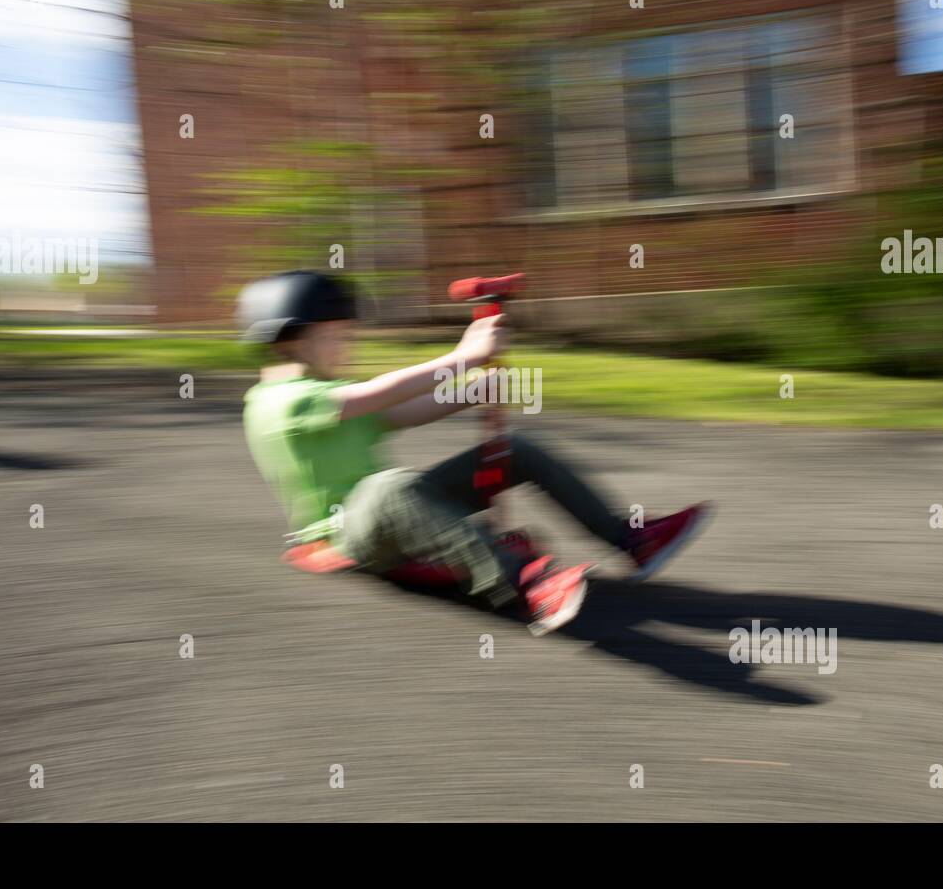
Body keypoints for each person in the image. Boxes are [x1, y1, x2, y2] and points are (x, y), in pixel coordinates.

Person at [238, 270, 708, 635]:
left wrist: (469, 389)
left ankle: (631, 539)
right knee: (385, 486)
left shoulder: (324, 394)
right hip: (348, 536)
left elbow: (402, 412)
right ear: (294, 336)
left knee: (511, 451)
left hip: (395, 513)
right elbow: (376, 396)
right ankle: (529, 584)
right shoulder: (278, 401)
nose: (348, 344)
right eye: (338, 334)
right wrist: (462, 356)